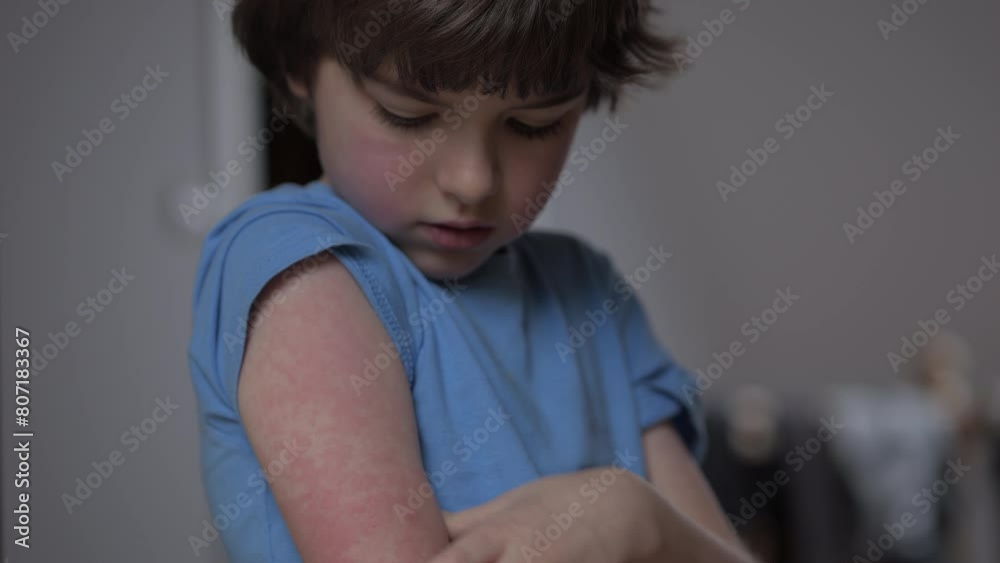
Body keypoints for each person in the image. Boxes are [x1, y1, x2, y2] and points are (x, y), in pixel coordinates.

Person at [187, 1, 756, 561]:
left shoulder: (589, 290)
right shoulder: (300, 260)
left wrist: (648, 525)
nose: (473, 181)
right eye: (409, 114)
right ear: (300, 65)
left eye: (534, 124)